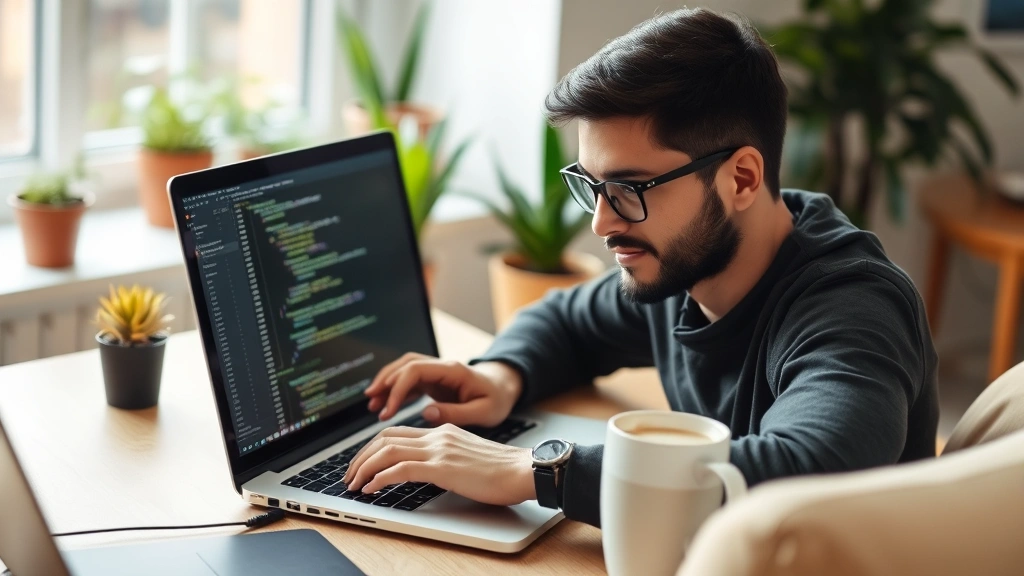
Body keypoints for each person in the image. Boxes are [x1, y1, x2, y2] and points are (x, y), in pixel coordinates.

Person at [342, 7, 939, 527]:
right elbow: (568, 320)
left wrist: (541, 469)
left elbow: (808, 468)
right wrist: (502, 377)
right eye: (592, 186)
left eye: (630, 188)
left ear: (742, 178)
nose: (602, 223)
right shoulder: (685, 265)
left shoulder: (855, 308)